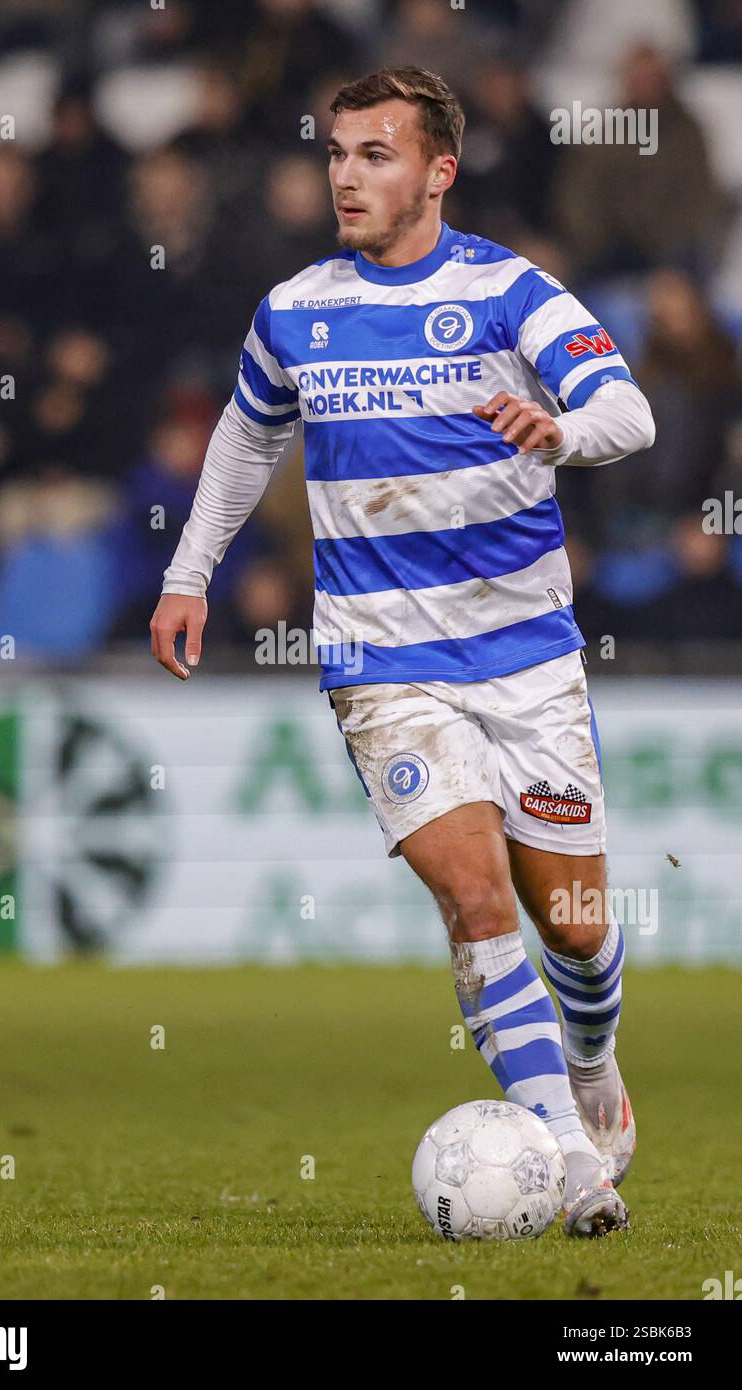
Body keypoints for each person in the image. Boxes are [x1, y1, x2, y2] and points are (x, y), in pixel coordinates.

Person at [150, 67, 655, 1237]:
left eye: (376, 154)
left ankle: (591, 1058)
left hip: (524, 654)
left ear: (438, 171)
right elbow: (240, 440)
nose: (345, 175)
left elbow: (626, 410)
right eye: (336, 152)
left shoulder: (507, 291)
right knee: (474, 897)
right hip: (380, 661)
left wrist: (559, 425)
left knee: (574, 926)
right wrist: (189, 574)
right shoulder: (295, 310)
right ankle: (575, 1166)